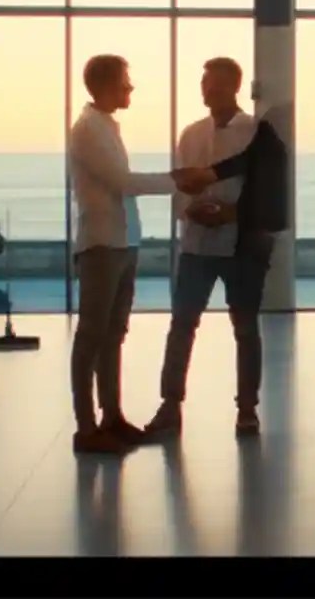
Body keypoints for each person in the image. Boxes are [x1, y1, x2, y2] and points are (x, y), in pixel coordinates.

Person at [67, 54, 215, 455]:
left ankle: (111, 418)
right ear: (103, 86)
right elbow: (122, 182)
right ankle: (87, 428)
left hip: (122, 242)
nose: (130, 90)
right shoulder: (86, 130)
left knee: (113, 335)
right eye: (125, 84)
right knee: (91, 337)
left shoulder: (105, 127)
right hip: (102, 243)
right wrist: (179, 181)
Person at [141, 57, 273, 441]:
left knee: (245, 329)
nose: (206, 91)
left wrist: (232, 213)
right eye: (203, 85)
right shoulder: (191, 134)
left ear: (234, 87)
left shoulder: (256, 133)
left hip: (243, 247)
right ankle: (170, 406)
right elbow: (179, 186)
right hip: (197, 245)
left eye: (214, 85)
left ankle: (247, 410)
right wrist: (190, 210)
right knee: (181, 325)